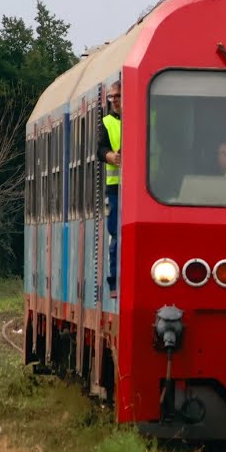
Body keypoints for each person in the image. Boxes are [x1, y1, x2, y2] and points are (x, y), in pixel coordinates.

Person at [97, 80, 121, 295]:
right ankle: (114, 282)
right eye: (112, 97)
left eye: (118, 96)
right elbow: (100, 149)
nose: (114, 100)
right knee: (116, 234)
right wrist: (109, 155)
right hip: (116, 189)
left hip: (147, 189)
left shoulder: (149, 116)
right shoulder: (107, 122)